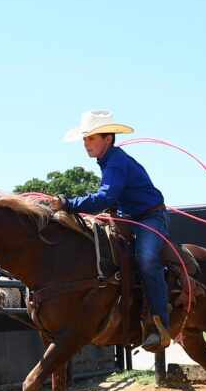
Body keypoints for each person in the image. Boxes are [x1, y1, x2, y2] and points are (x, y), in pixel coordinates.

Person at [61, 110, 172, 351]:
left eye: (91, 138)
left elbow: (104, 197)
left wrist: (69, 203)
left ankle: (160, 325)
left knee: (146, 259)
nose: (85, 143)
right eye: (85, 139)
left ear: (108, 138)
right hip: (128, 216)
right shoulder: (109, 161)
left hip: (151, 217)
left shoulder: (115, 162)